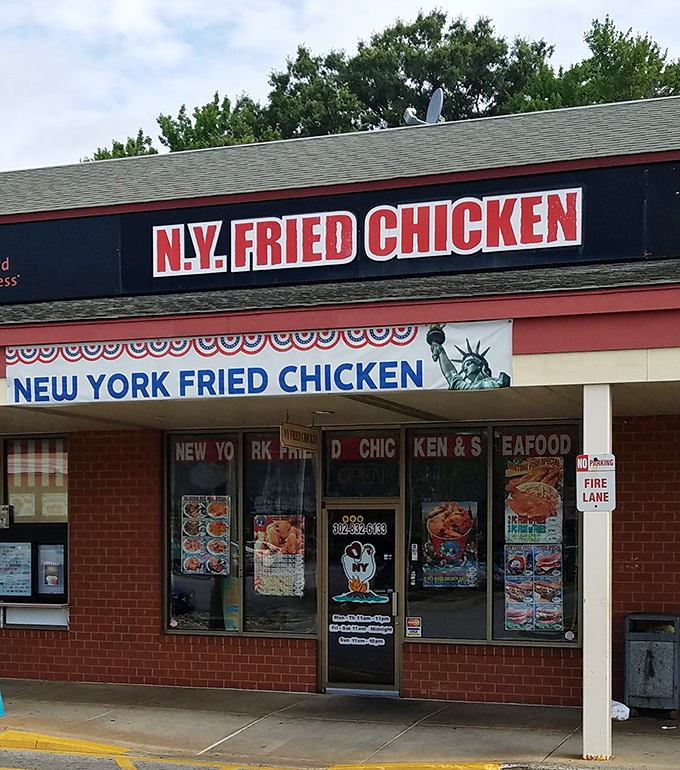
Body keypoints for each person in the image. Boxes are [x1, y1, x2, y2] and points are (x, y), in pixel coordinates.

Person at [428, 332, 510, 390]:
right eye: (464, 368)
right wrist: (441, 353)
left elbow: (456, 381)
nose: (465, 369)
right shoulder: (468, 387)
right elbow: (451, 375)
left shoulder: (494, 383)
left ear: (479, 365)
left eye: (468, 364)